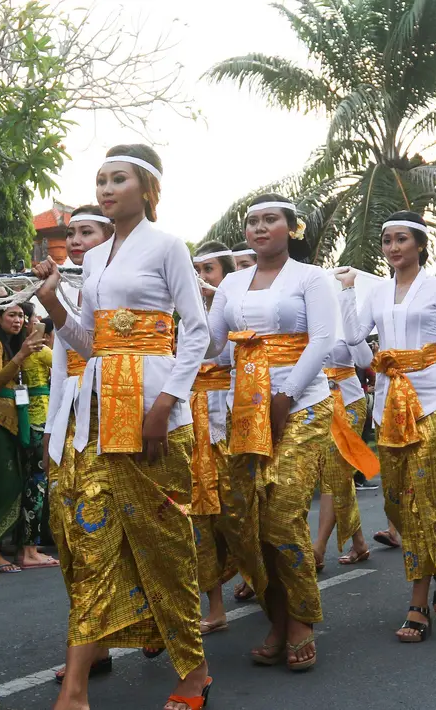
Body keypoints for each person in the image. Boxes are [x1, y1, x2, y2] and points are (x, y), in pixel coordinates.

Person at [33, 144, 213, 710]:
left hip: (151, 407)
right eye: (101, 181)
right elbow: (89, 342)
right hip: (95, 411)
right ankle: (76, 689)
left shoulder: (168, 246)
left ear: (147, 190)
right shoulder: (92, 259)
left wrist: (167, 402)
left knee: (164, 543)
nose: (107, 189)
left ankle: (194, 671)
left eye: (119, 180)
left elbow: (198, 331)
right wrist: (54, 307)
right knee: (90, 542)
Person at [206, 195, 338, 669]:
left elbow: (323, 339)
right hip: (246, 409)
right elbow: (214, 347)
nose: (259, 228)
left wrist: (286, 396)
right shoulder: (231, 285)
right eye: (252, 222)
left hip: (302, 403)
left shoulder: (311, 277)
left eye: (270, 220)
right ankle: (276, 614)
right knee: (244, 520)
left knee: (281, 513)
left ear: (291, 228)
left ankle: (300, 618)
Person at [338, 211, 436, 642]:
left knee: (426, 502)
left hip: (434, 401)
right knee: (396, 503)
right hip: (389, 409)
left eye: (401, 239)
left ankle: (417, 604)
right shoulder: (376, 292)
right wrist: (345, 293)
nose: (393, 247)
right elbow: (356, 338)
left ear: (419, 244)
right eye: (387, 241)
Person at [44, 206, 117, 686]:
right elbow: (58, 366)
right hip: (70, 423)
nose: (74, 241)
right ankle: (97, 645)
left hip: (113, 415)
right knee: (69, 537)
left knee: (99, 538)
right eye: (70, 233)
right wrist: (51, 429)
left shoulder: (124, 284)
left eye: (85, 232)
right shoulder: (61, 286)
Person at [189, 241, 243, 636]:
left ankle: (265, 581)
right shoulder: (182, 315)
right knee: (200, 517)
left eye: (209, 270)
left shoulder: (238, 310)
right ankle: (215, 605)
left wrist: (217, 303)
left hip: (229, 416)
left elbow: (229, 355)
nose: (202, 278)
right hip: (192, 423)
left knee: (238, 513)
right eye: (197, 270)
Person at [0, 302, 53, 572]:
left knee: (14, 482)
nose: (18, 320)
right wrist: (19, 356)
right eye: (12, 315)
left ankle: (2, 547)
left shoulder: (13, 345)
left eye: (21, 315)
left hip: (15, 422)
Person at [314, 330, 377, 569]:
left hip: (348, 402)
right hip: (318, 400)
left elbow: (365, 360)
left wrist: (351, 321)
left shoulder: (348, 318)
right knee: (337, 475)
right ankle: (359, 542)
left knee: (335, 472)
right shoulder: (307, 313)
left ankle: (318, 547)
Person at [20, 302, 56, 557]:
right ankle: (30, 549)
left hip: (26, 418)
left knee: (31, 482)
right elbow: (68, 366)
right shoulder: (41, 350)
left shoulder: (20, 350)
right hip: (41, 418)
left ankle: (29, 545)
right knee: (38, 483)